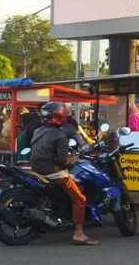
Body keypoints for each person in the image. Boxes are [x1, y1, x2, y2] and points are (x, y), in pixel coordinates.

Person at [29, 102, 97, 246]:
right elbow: (63, 161)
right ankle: (79, 234)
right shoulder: (60, 135)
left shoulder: (38, 131)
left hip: (36, 169)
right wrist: (75, 159)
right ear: (59, 116)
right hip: (53, 172)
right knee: (80, 199)